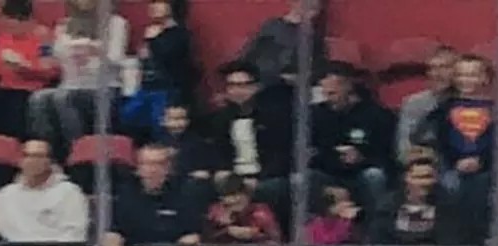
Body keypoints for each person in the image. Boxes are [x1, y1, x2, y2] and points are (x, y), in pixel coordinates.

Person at [33, 0, 134, 151]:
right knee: (38, 99)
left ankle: (77, 150)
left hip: (104, 86)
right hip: (70, 84)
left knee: (62, 97)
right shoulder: (64, 25)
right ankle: (47, 153)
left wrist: (96, 50)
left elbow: (117, 57)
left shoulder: (116, 23)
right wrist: (47, 46)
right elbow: (55, 57)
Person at [193, 60, 293, 197]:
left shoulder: (274, 117)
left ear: (256, 87)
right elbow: (218, 152)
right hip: (232, 177)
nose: (237, 91)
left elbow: (280, 155)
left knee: (273, 189)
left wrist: (260, 179)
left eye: (243, 85)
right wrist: (220, 171)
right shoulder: (219, 120)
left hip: (265, 177)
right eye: (232, 86)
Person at [0, 0, 57, 140]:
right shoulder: (2, 40)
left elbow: (50, 71)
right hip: (3, 88)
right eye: (8, 21)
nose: (11, 25)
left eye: (16, 21)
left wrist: (25, 66)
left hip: (30, 90)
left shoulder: (44, 40)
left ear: (28, 21)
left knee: (14, 114)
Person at [311, 65, 393, 213]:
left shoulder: (377, 115)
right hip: (329, 173)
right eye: (324, 94)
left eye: (332, 93)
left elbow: (386, 155)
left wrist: (362, 158)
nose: (328, 99)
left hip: (362, 172)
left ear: (348, 88)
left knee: (375, 176)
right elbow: (313, 152)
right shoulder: (317, 115)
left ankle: (377, 226)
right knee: (303, 177)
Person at [431, 53, 497, 213]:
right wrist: (455, 163)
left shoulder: (497, 110)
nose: (465, 80)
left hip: (486, 168)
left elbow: (497, 143)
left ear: (485, 78)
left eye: (472, 75)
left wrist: (480, 161)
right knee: (449, 185)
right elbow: (439, 142)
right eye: (461, 75)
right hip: (451, 166)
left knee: (483, 185)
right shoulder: (443, 109)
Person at [121, 0, 197, 135]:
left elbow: (169, 56)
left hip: (167, 90)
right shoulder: (149, 31)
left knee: (160, 125)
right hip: (145, 87)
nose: (153, 7)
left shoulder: (179, 34)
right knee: (128, 116)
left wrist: (153, 40)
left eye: (159, 3)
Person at [237, 0, 324, 89]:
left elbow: (319, 68)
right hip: (267, 85)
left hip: (297, 89)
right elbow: (249, 56)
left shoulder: (315, 36)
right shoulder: (272, 27)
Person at [396, 47, 456, 161]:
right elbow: (403, 147)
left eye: (444, 67)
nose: (436, 74)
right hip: (421, 164)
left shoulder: (468, 104)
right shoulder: (414, 103)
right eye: (432, 68)